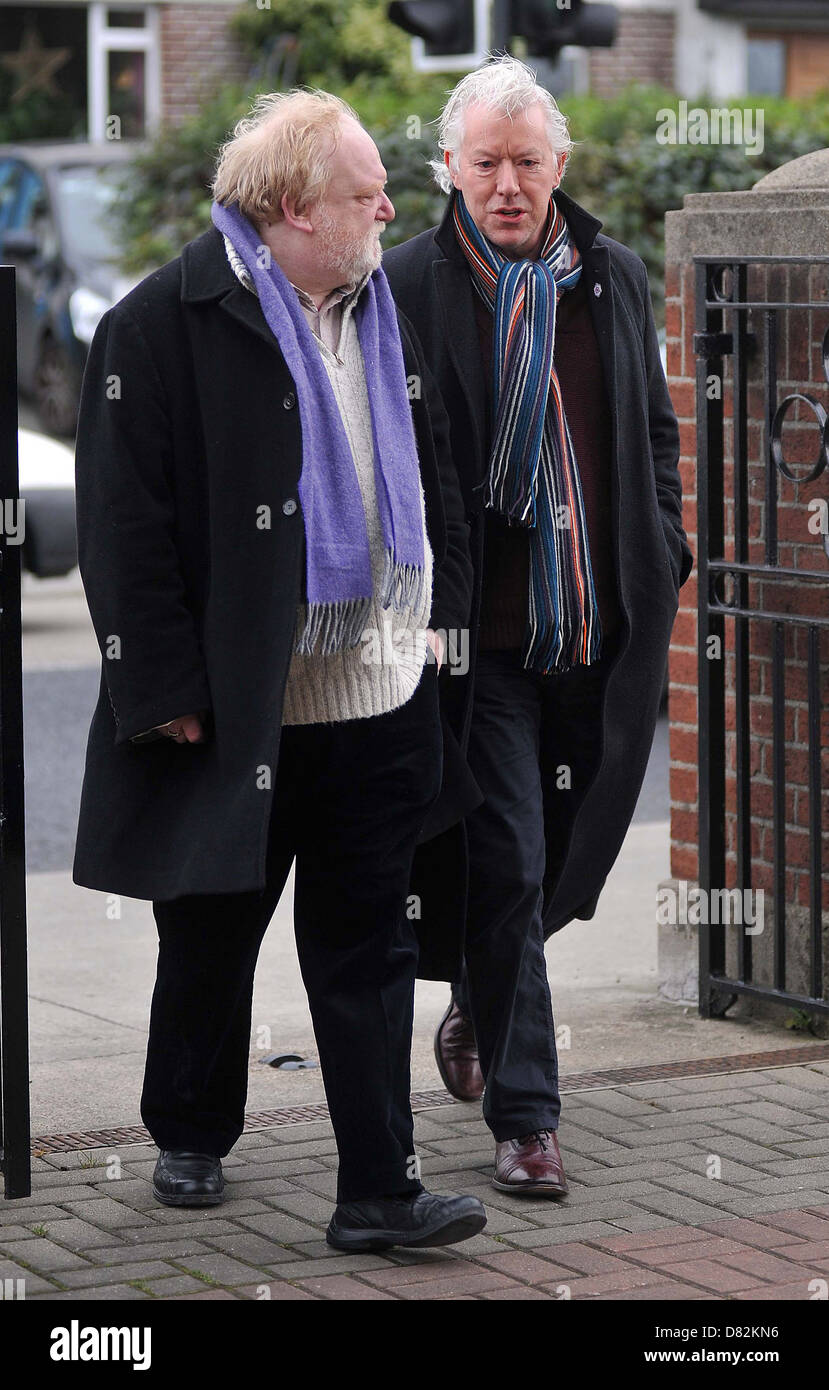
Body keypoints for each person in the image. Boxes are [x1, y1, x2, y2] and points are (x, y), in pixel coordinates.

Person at [72, 88, 487, 1252]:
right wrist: (163, 695)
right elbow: (123, 527)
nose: (390, 209)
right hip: (239, 707)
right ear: (296, 208)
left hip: (378, 693)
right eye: (366, 194)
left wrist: (432, 636)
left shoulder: (388, 310)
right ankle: (190, 1130)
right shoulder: (161, 323)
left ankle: (377, 1190)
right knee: (209, 934)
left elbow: (439, 487)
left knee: (371, 948)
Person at [385, 56, 692, 1198]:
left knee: (568, 859)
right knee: (509, 855)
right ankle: (527, 1120)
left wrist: (665, 546)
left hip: (595, 628)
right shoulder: (410, 283)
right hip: (483, 643)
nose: (507, 184)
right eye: (484, 164)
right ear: (450, 171)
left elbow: (653, 431)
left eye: (526, 161)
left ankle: (479, 980)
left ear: (559, 164)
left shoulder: (607, 274)